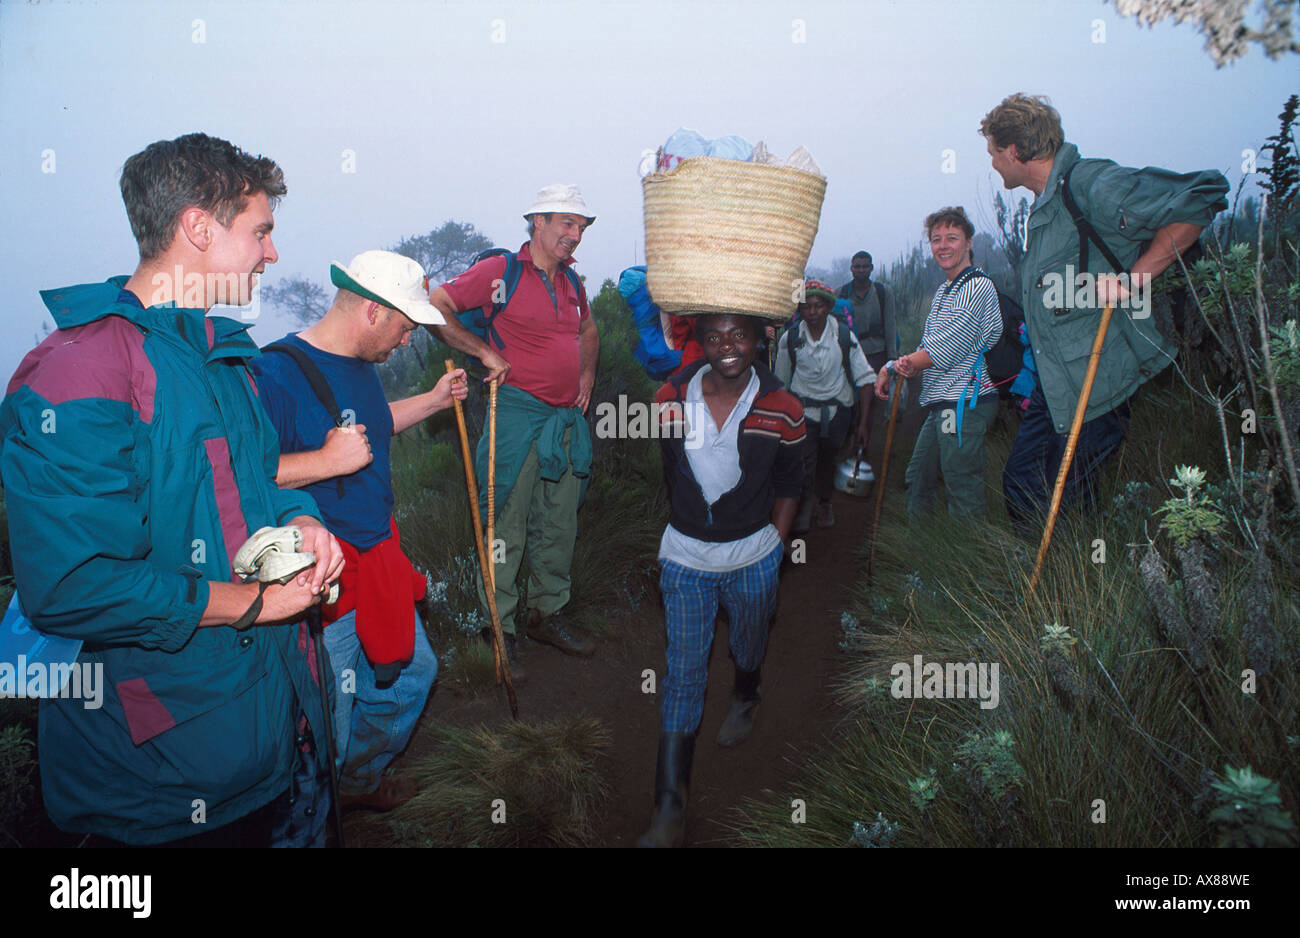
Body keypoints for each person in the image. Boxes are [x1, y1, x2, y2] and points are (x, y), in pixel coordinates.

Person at [0, 133, 344, 846]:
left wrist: (304, 522)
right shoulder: (79, 372)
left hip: (259, 737)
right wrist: (255, 602)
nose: (272, 253)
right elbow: (73, 586)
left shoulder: (224, 358)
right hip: (155, 784)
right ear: (198, 228)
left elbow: (263, 484)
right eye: (260, 230)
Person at [250, 250, 468, 814]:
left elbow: (372, 425)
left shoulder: (361, 366)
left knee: (412, 674)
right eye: (403, 326)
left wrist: (434, 400)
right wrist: (323, 463)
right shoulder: (273, 372)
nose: (406, 342)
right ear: (373, 311)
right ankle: (317, 805)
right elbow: (243, 477)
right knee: (331, 716)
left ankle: (358, 781)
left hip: (380, 554)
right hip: (325, 579)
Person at [979, 93, 1229, 532]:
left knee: (1074, 503)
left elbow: (1197, 199)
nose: (994, 163)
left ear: (1014, 151)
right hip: (1055, 384)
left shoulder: (1091, 184)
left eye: (994, 153)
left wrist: (1134, 280)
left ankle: (1074, 587)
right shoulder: (1045, 206)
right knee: (1021, 482)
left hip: (1097, 382)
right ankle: (1040, 577)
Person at [638, 313, 804, 848]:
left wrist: (775, 547)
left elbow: (789, 482)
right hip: (685, 558)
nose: (727, 347)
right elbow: (671, 470)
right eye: (714, 337)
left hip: (753, 555)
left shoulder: (783, 407)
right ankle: (668, 810)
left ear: (759, 341)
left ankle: (746, 693)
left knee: (748, 641)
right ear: (700, 343)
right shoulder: (670, 397)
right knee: (684, 671)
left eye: (739, 336)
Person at [427, 185, 600, 676]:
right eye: (567, 223)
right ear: (537, 223)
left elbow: (588, 331)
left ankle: (548, 612)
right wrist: (482, 352)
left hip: (565, 423)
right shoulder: (501, 272)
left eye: (582, 226)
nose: (576, 235)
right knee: (505, 524)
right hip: (516, 416)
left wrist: (586, 373)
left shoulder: (572, 284)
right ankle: (497, 630)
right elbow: (437, 302)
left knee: (559, 523)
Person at [878, 207, 1002, 522]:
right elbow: (927, 347)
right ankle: (921, 562)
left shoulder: (976, 287)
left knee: (962, 490)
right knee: (917, 478)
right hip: (942, 404)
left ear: (968, 242)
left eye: (952, 238)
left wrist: (893, 368)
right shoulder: (946, 290)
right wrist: (898, 364)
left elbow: (941, 350)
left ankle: (970, 568)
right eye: (936, 239)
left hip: (964, 403)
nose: (943, 246)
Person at [774, 280, 876, 530]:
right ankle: (800, 517)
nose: (812, 312)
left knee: (828, 461)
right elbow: (781, 385)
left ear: (828, 307)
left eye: (818, 306)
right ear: (799, 311)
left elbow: (865, 380)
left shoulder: (843, 336)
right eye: (806, 307)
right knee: (803, 465)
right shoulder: (789, 339)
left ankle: (825, 502)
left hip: (838, 412)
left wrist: (863, 424)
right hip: (802, 413)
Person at [837, 251, 897, 375]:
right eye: (857, 267)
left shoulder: (883, 292)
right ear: (851, 269)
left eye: (865, 266)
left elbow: (890, 325)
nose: (861, 270)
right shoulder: (840, 294)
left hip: (878, 353)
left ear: (871, 268)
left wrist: (892, 359)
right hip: (850, 353)